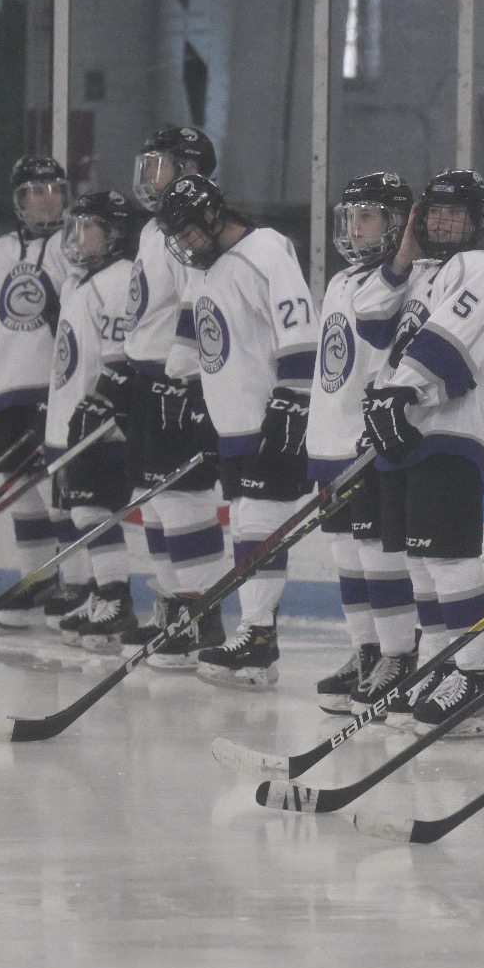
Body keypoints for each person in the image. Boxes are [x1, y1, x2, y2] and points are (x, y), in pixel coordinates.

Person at [138, 176, 317, 688]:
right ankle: (256, 639)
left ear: (214, 216)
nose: (185, 244)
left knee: (260, 525)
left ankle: (258, 639)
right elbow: (198, 330)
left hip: (271, 417)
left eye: (190, 231)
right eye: (178, 237)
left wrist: (293, 398)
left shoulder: (266, 252)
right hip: (232, 424)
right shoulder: (205, 265)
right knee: (244, 527)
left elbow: (300, 329)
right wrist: (184, 382)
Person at [356, 170, 484, 734]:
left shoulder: (482, 267)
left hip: (453, 432)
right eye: (434, 212)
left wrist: (398, 392)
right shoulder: (422, 274)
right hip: (410, 432)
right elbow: (372, 324)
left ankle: (474, 677)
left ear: (476, 220)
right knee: (420, 563)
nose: (443, 223)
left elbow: (448, 344)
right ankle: (441, 665)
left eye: (455, 213)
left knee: (449, 560)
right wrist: (401, 259)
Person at [100, 126, 229, 666]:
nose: (149, 177)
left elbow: (198, 301)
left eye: (161, 166)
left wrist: (185, 375)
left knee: (184, 502)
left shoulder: (193, 226)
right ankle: (173, 607)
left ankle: (203, 615)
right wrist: (124, 370)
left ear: (190, 170)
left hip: (176, 383)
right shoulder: (153, 229)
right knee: (151, 502)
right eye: (147, 165)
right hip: (147, 380)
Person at [308, 173, 422, 715]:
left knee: (378, 554)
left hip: (368, 441)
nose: (355, 227)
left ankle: (399, 655)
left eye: (368, 216)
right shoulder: (340, 281)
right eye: (350, 216)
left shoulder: (406, 280)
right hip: (330, 443)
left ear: (397, 223)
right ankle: (366, 651)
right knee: (346, 556)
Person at [0, 154, 79, 630]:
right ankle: (39, 579)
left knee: (60, 494)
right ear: (19, 201)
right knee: (19, 492)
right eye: (33, 192)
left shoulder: (75, 244)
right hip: (6, 389)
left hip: (54, 390)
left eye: (52, 190)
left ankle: (76, 586)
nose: (44, 200)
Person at [48, 190, 149, 648]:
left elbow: (121, 356)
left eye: (88, 227)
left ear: (114, 235)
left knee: (95, 510)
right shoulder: (77, 282)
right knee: (80, 511)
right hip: (74, 419)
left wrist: (101, 403)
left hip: (105, 424)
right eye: (76, 225)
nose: (78, 235)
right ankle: (99, 595)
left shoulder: (121, 279)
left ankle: (116, 600)